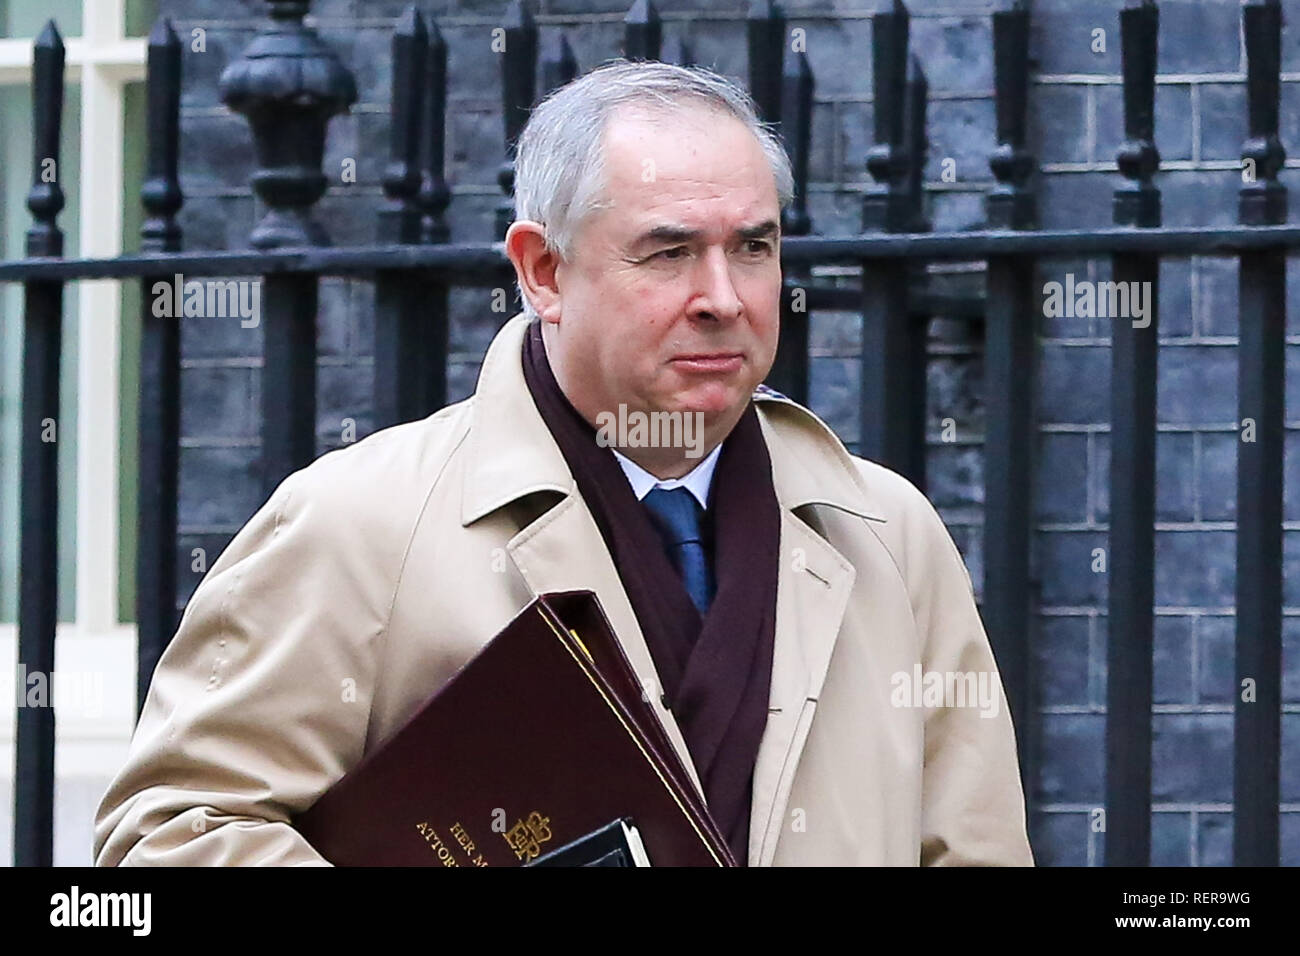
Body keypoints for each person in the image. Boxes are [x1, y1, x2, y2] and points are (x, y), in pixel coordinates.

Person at [94, 59, 1033, 867]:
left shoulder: (889, 534)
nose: (724, 297)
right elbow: (166, 836)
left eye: (754, 247)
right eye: (668, 252)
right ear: (543, 271)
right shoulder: (361, 523)